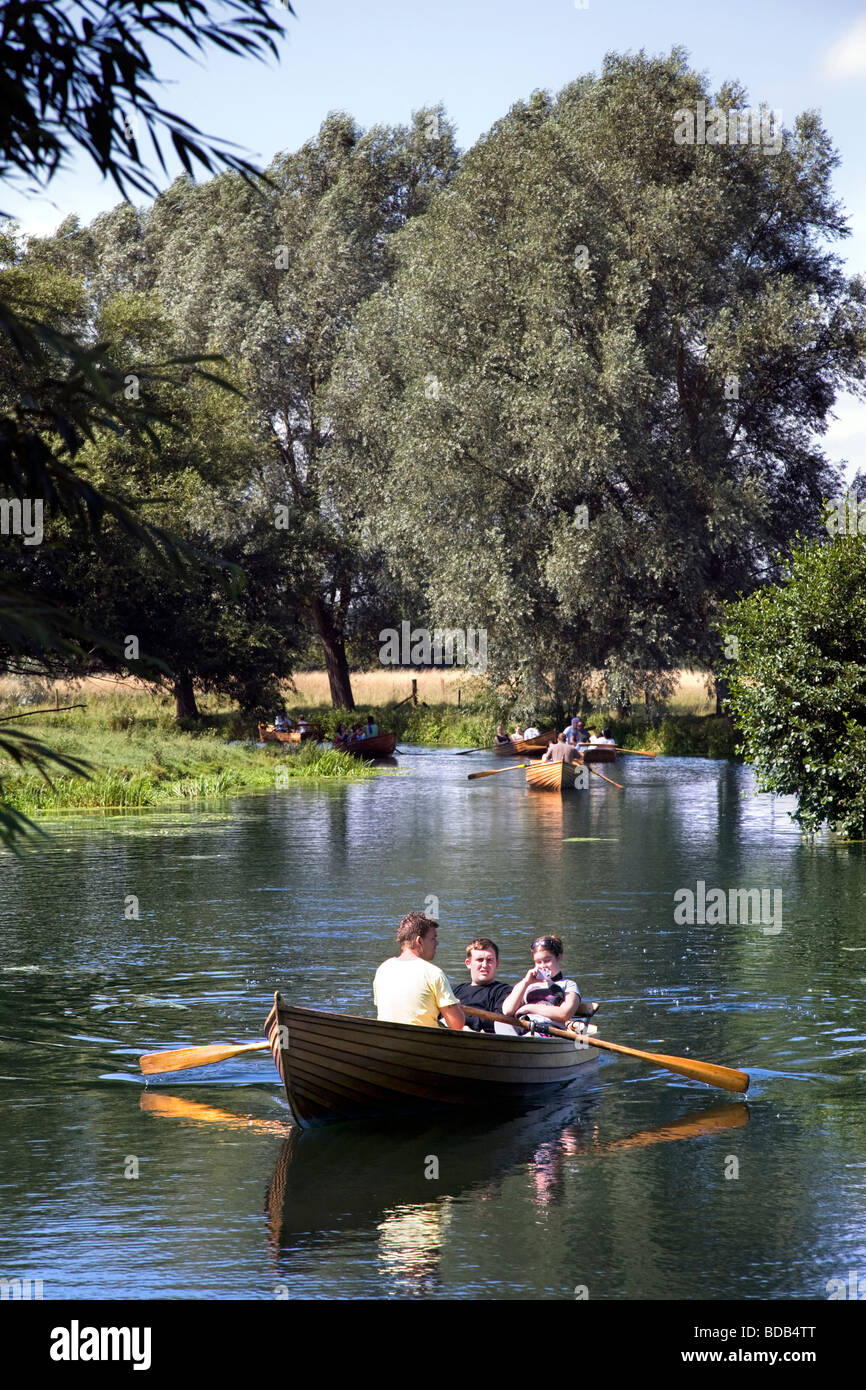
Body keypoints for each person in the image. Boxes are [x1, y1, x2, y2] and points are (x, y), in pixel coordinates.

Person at [373, 912, 465, 1030]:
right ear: (419, 941)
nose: (437, 943)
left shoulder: (383, 969)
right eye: (433, 938)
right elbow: (457, 1025)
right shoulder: (433, 973)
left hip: (388, 1038)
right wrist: (456, 1006)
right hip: (423, 1043)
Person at [501, 935, 581, 1030]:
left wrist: (529, 1008)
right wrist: (526, 982)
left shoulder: (568, 985)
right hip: (524, 1027)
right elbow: (507, 1011)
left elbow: (565, 1013)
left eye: (547, 960)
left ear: (558, 957)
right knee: (500, 1024)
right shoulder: (528, 985)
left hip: (548, 1031)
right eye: (538, 962)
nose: (543, 966)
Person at [453, 938, 513, 1033]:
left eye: (489, 960)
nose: (484, 965)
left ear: (496, 964)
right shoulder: (454, 990)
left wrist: (461, 1022)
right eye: (480, 960)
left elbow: (499, 1023)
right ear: (468, 963)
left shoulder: (504, 991)